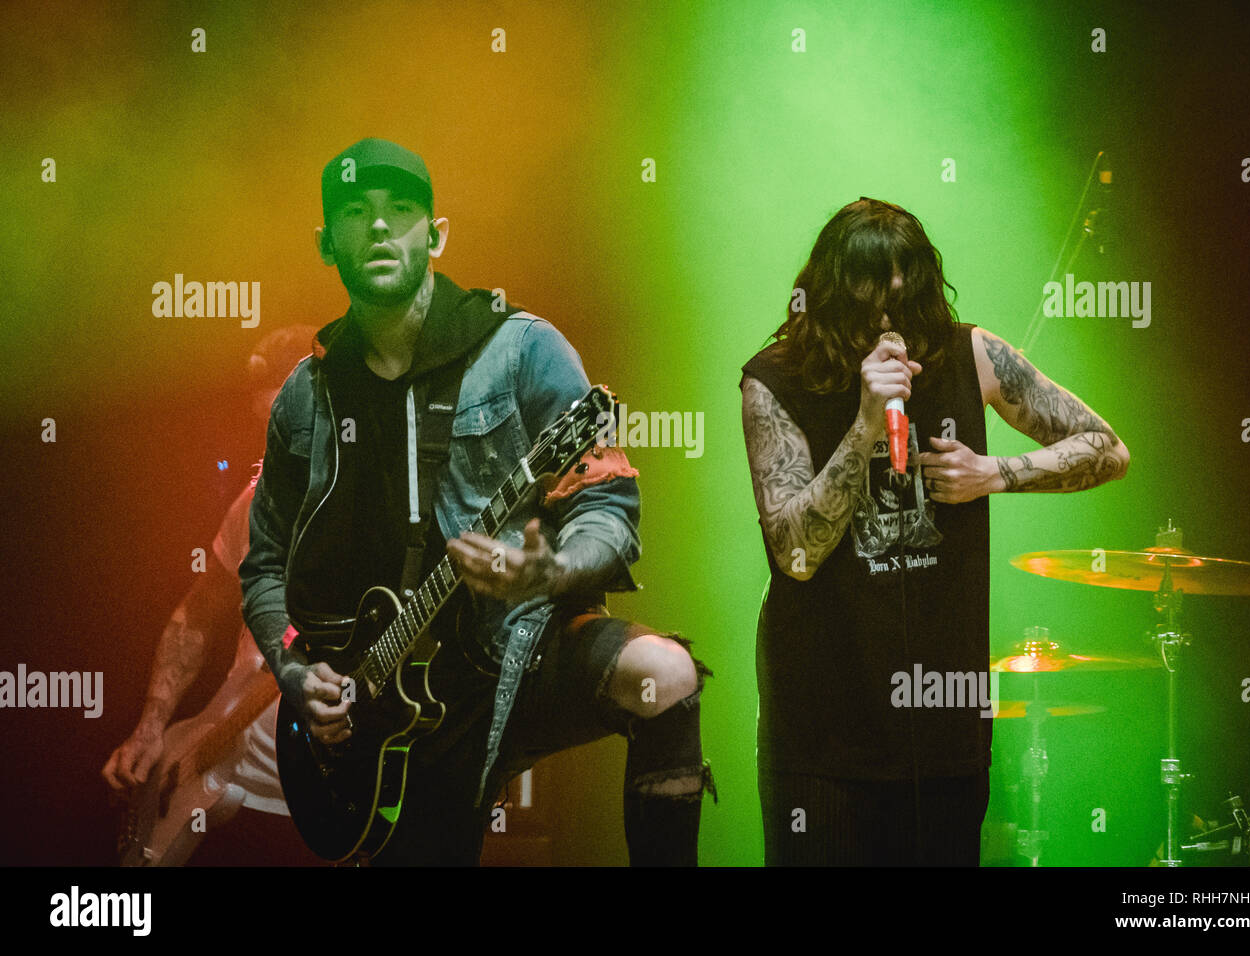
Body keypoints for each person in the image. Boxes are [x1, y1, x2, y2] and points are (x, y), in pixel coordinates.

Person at [239, 138, 713, 866]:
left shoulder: (520, 349)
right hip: (389, 711)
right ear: (325, 242)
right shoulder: (308, 395)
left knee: (666, 675)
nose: (378, 227)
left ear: (435, 235)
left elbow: (608, 508)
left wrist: (550, 570)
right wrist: (296, 671)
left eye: (401, 211)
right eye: (356, 214)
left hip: (514, 653)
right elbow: (264, 564)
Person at [739, 197, 1129, 866]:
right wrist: (865, 421)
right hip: (824, 734)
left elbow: (1108, 448)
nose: (889, 318)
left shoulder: (969, 354)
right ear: (831, 291)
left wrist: (996, 472)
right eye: (871, 296)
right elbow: (796, 554)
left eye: (906, 293)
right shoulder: (775, 380)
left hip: (942, 721)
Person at [102, 325, 322, 865]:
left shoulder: (373, 512)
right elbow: (198, 612)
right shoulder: (255, 504)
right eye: (267, 423)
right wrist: (152, 731)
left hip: (313, 807)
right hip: (221, 787)